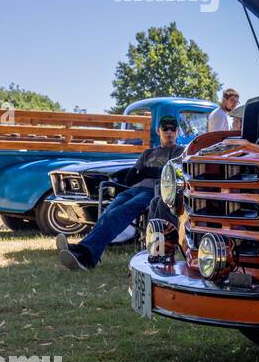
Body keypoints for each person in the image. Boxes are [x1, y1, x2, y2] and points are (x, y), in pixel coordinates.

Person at [56, 115, 183, 271]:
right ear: (158, 131)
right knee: (108, 212)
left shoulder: (180, 152)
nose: (169, 132)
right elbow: (131, 177)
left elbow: (168, 174)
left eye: (172, 129)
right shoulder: (148, 153)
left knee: (121, 212)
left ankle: (85, 252)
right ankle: (87, 253)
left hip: (155, 192)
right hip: (134, 189)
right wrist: (147, 172)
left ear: (177, 132)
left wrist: (146, 172)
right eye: (165, 128)